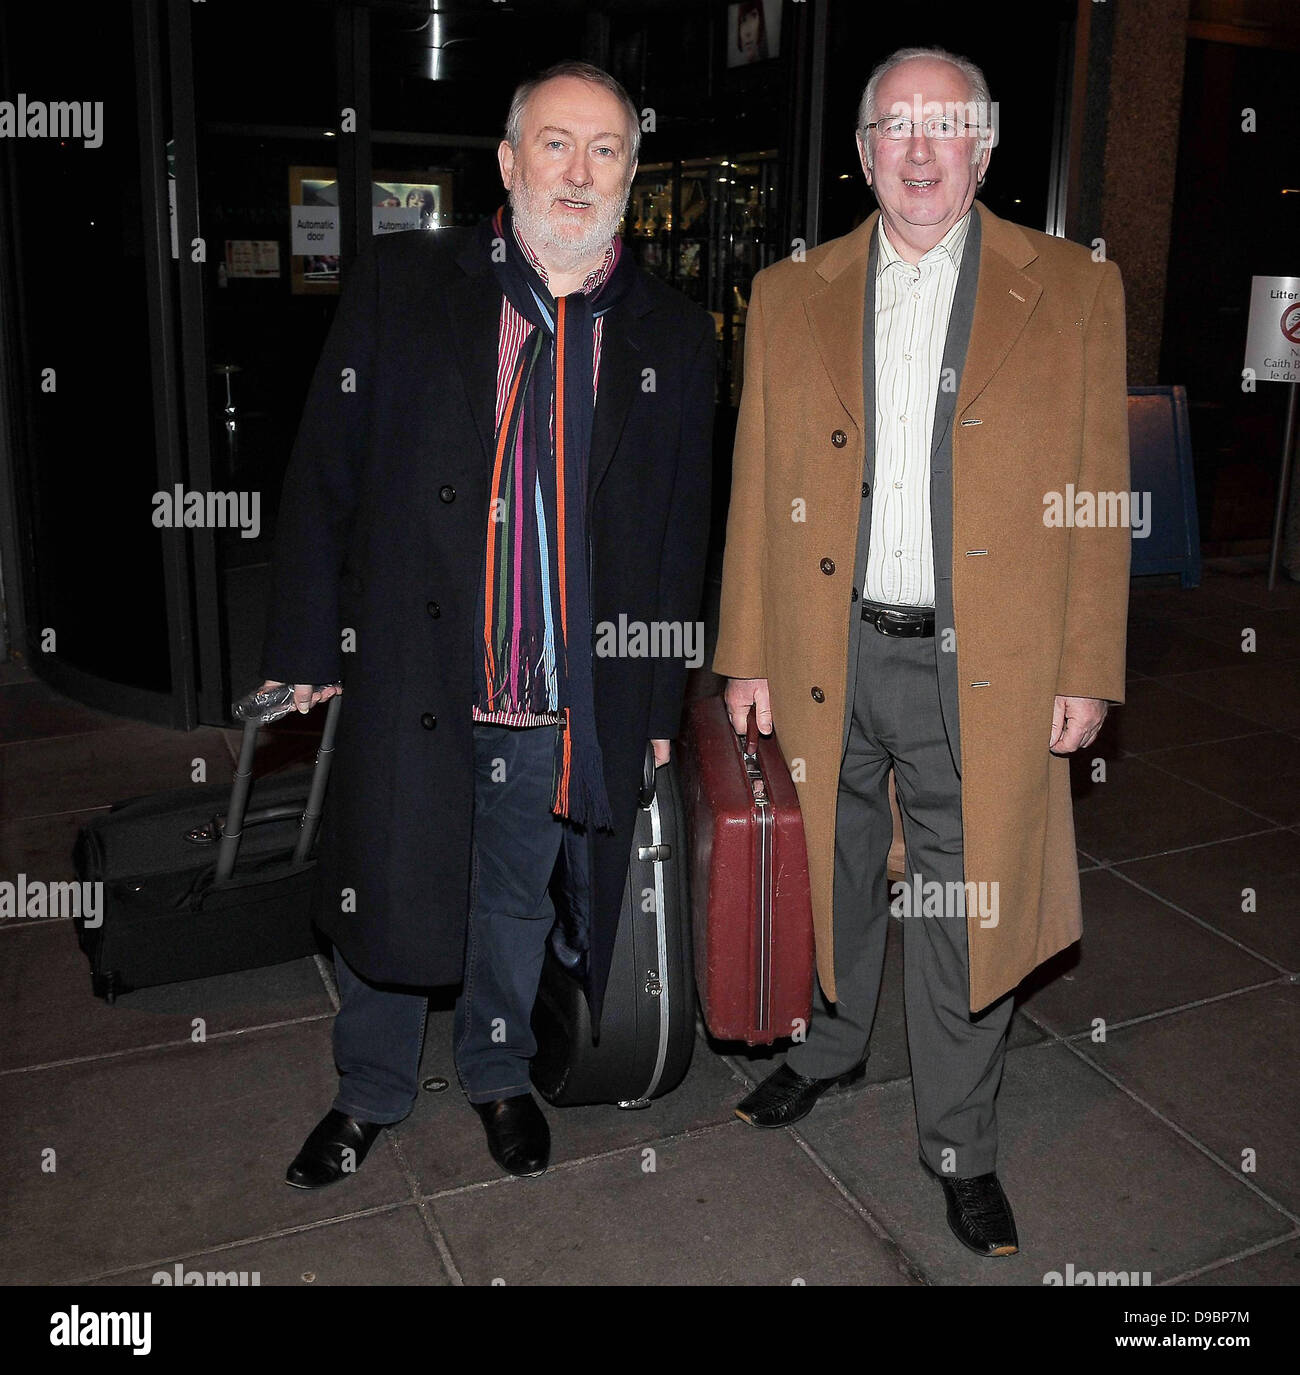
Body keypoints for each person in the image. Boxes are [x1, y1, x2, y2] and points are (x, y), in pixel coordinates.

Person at [258, 60, 715, 1187]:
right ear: (508, 164)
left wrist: (656, 700)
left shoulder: (670, 334)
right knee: (390, 879)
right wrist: (307, 644)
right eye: (554, 144)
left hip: (560, 692)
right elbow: (324, 471)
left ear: (632, 174)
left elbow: (678, 534)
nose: (578, 171)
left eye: (604, 150)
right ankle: (369, 1089)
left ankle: (498, 1072)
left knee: (514, 900)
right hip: (418, 666)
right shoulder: (405, 285)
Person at [714, 45, 1129, 1257]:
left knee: (963, 901)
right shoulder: (789, 291)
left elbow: (1100, 492)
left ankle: (959, 1142)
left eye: (945, 124)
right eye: (894, 125)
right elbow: (755, 487)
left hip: (985, 665)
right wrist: (745, 652)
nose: (918, 147)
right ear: (861, 152)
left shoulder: (1073, 288)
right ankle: (828, 1050)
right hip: (823, 648)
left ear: (983, 148)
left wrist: (1085, 666)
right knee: (830, 870)